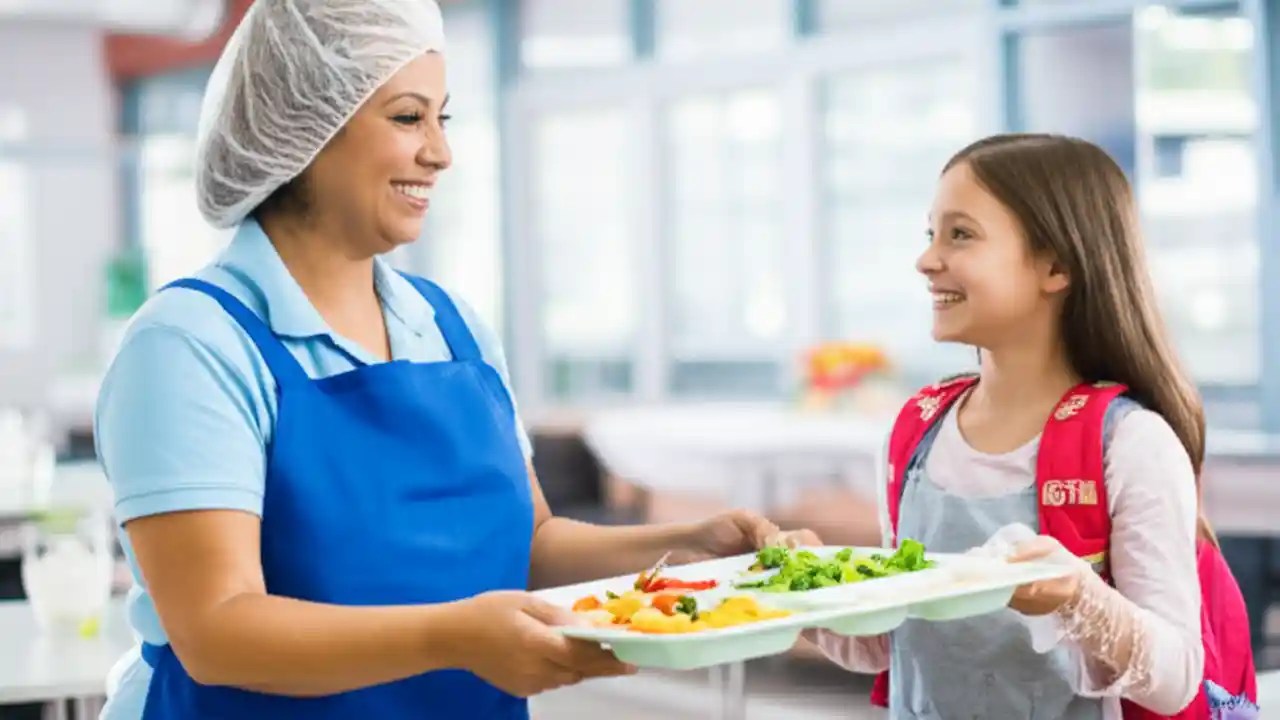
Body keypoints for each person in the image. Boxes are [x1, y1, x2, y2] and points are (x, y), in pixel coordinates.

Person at [93, 2, 816, 718]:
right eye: (409, 117)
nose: (440, 152)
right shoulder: (191, 342)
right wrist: (453, 636)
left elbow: (523, 542)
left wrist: (689, 547)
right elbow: (218, 632)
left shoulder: (449, 325)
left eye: (445, 118)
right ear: (303, 129)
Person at [811, 134, 1219, 718]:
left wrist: (1079, 598)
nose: (927, 261)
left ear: (1055, 265)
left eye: (961, 234)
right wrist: (801, 592)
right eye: (932, 234)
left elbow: (1176, 677)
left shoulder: (1131, 444)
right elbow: (886, 642)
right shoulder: (915, 432)